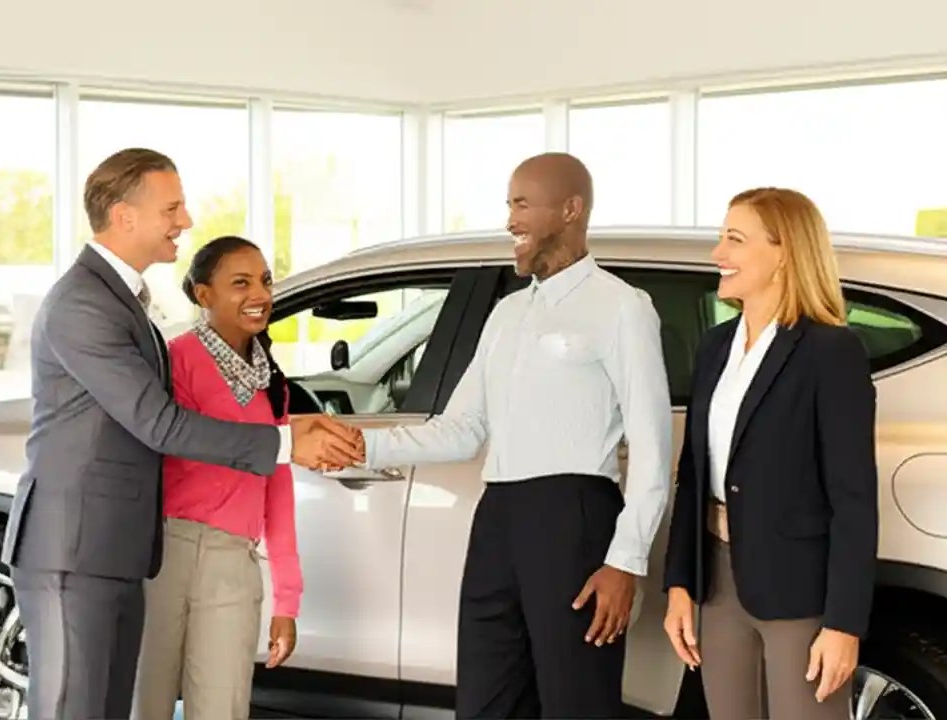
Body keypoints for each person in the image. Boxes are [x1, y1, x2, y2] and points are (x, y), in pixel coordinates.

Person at [0, 148, 361, 720]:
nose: (185, 221)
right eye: (172, 208)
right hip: (74, 550)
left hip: (112, 550)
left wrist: (288, 423)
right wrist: (286, 443)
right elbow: (158, 422)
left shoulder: (124, 300)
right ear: (125, 217)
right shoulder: (84, 303)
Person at [346, 152, 674, 718]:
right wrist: (362, 446)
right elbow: (464, 429)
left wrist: (626, 561)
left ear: (571, 209)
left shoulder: (622, 307)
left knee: (577, 703)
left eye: (522, 203)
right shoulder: (504, 314)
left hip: (574, 517)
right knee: (485, 702)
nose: (510, 220)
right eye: (509, 204)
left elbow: (651, 444)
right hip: (497, 517)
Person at [661, 187, 878, 719]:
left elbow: (854, 498)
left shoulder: (830, 352)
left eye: (734, 239)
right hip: (717, 583)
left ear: (785, 252)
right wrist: (679, 585)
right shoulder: (714, 346)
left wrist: (844, 624)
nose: (718, 254)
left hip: (798, 591)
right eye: (721, 238)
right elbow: (694, 474)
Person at [134, 235, 302, 720]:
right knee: (146, 706)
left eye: (266, 281)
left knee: (222, 710)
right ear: (203, 295)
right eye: (241, 283)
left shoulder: (273, 383)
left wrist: (287, 599)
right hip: (164, 556)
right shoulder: (174, 360)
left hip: (233, 565)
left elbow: (279, 493)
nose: (260, 295)